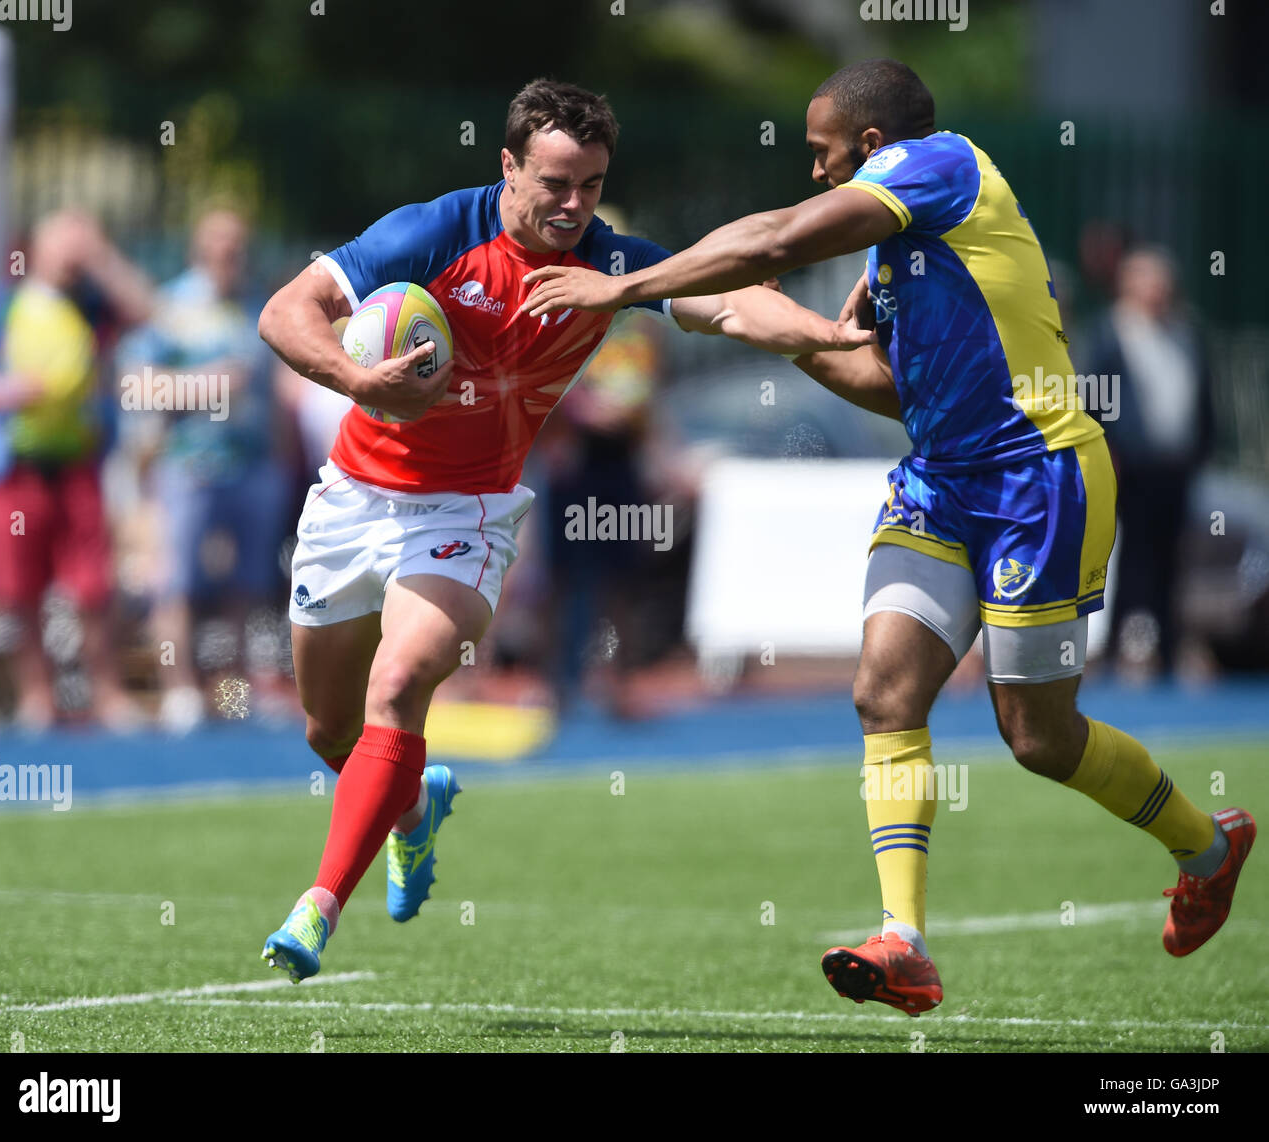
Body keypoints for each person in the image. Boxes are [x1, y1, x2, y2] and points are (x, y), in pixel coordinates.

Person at [522, 59, 1255, 1015]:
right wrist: (791, 335)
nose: (818, 173)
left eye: (824, 153)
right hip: (941, 484)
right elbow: (886, 385)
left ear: (873, 147)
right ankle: (904, 941)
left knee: (1038, 736)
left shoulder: (942, 166)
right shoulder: (893, 254)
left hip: (1041, 478)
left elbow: (775, 236)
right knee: (884, 692)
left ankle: (1210, 845)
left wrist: (625, 286)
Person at [255, 78, 862, 981]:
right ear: (507, 166)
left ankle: (316, 909)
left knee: (401, 683)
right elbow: (284, 313)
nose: (576, 205)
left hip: (468, 513)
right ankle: (414, 806)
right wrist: (361, 382)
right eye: (554, 183)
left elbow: (730, 302)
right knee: (326, 730)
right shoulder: (432, 233)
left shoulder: (610, 264)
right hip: (352, 498)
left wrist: (829, 332)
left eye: (592, 184)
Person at [0, 209, 153, 730]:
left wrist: (101, 257)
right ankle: (37, 699)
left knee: (93, 586)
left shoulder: (94, 304)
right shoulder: (2, 309)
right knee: (19, 590)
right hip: (16, 468)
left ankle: (109, 695)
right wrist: (8, 392)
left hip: (80, 464)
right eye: (64, 241)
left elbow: (145, 309)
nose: (72, 252)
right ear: (37, 247)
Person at [116, 207, 291, 731]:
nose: (228, 256)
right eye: (218, 246)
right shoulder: (172, 308)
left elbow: (275, 395)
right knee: (178, 585)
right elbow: (134, 388)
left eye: (236, 247)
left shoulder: (260, 305)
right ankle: (182, 694)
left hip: (254, 467)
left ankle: (233, 695)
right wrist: (206, 383)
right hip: (188, 466)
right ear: (199, 249)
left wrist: (282, 461)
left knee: (248, 586)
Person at [1080, 246, 1215, 678]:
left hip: (1174, 470)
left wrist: (1199, 453)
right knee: (1129, 559)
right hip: (1129, 470)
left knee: (1171, 560)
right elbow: (1096, 401)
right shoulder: (1108, 333)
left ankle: (1170, 650)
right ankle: (1121, 647)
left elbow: (1203, 402)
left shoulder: (1186, 333)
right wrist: (1107, 452)